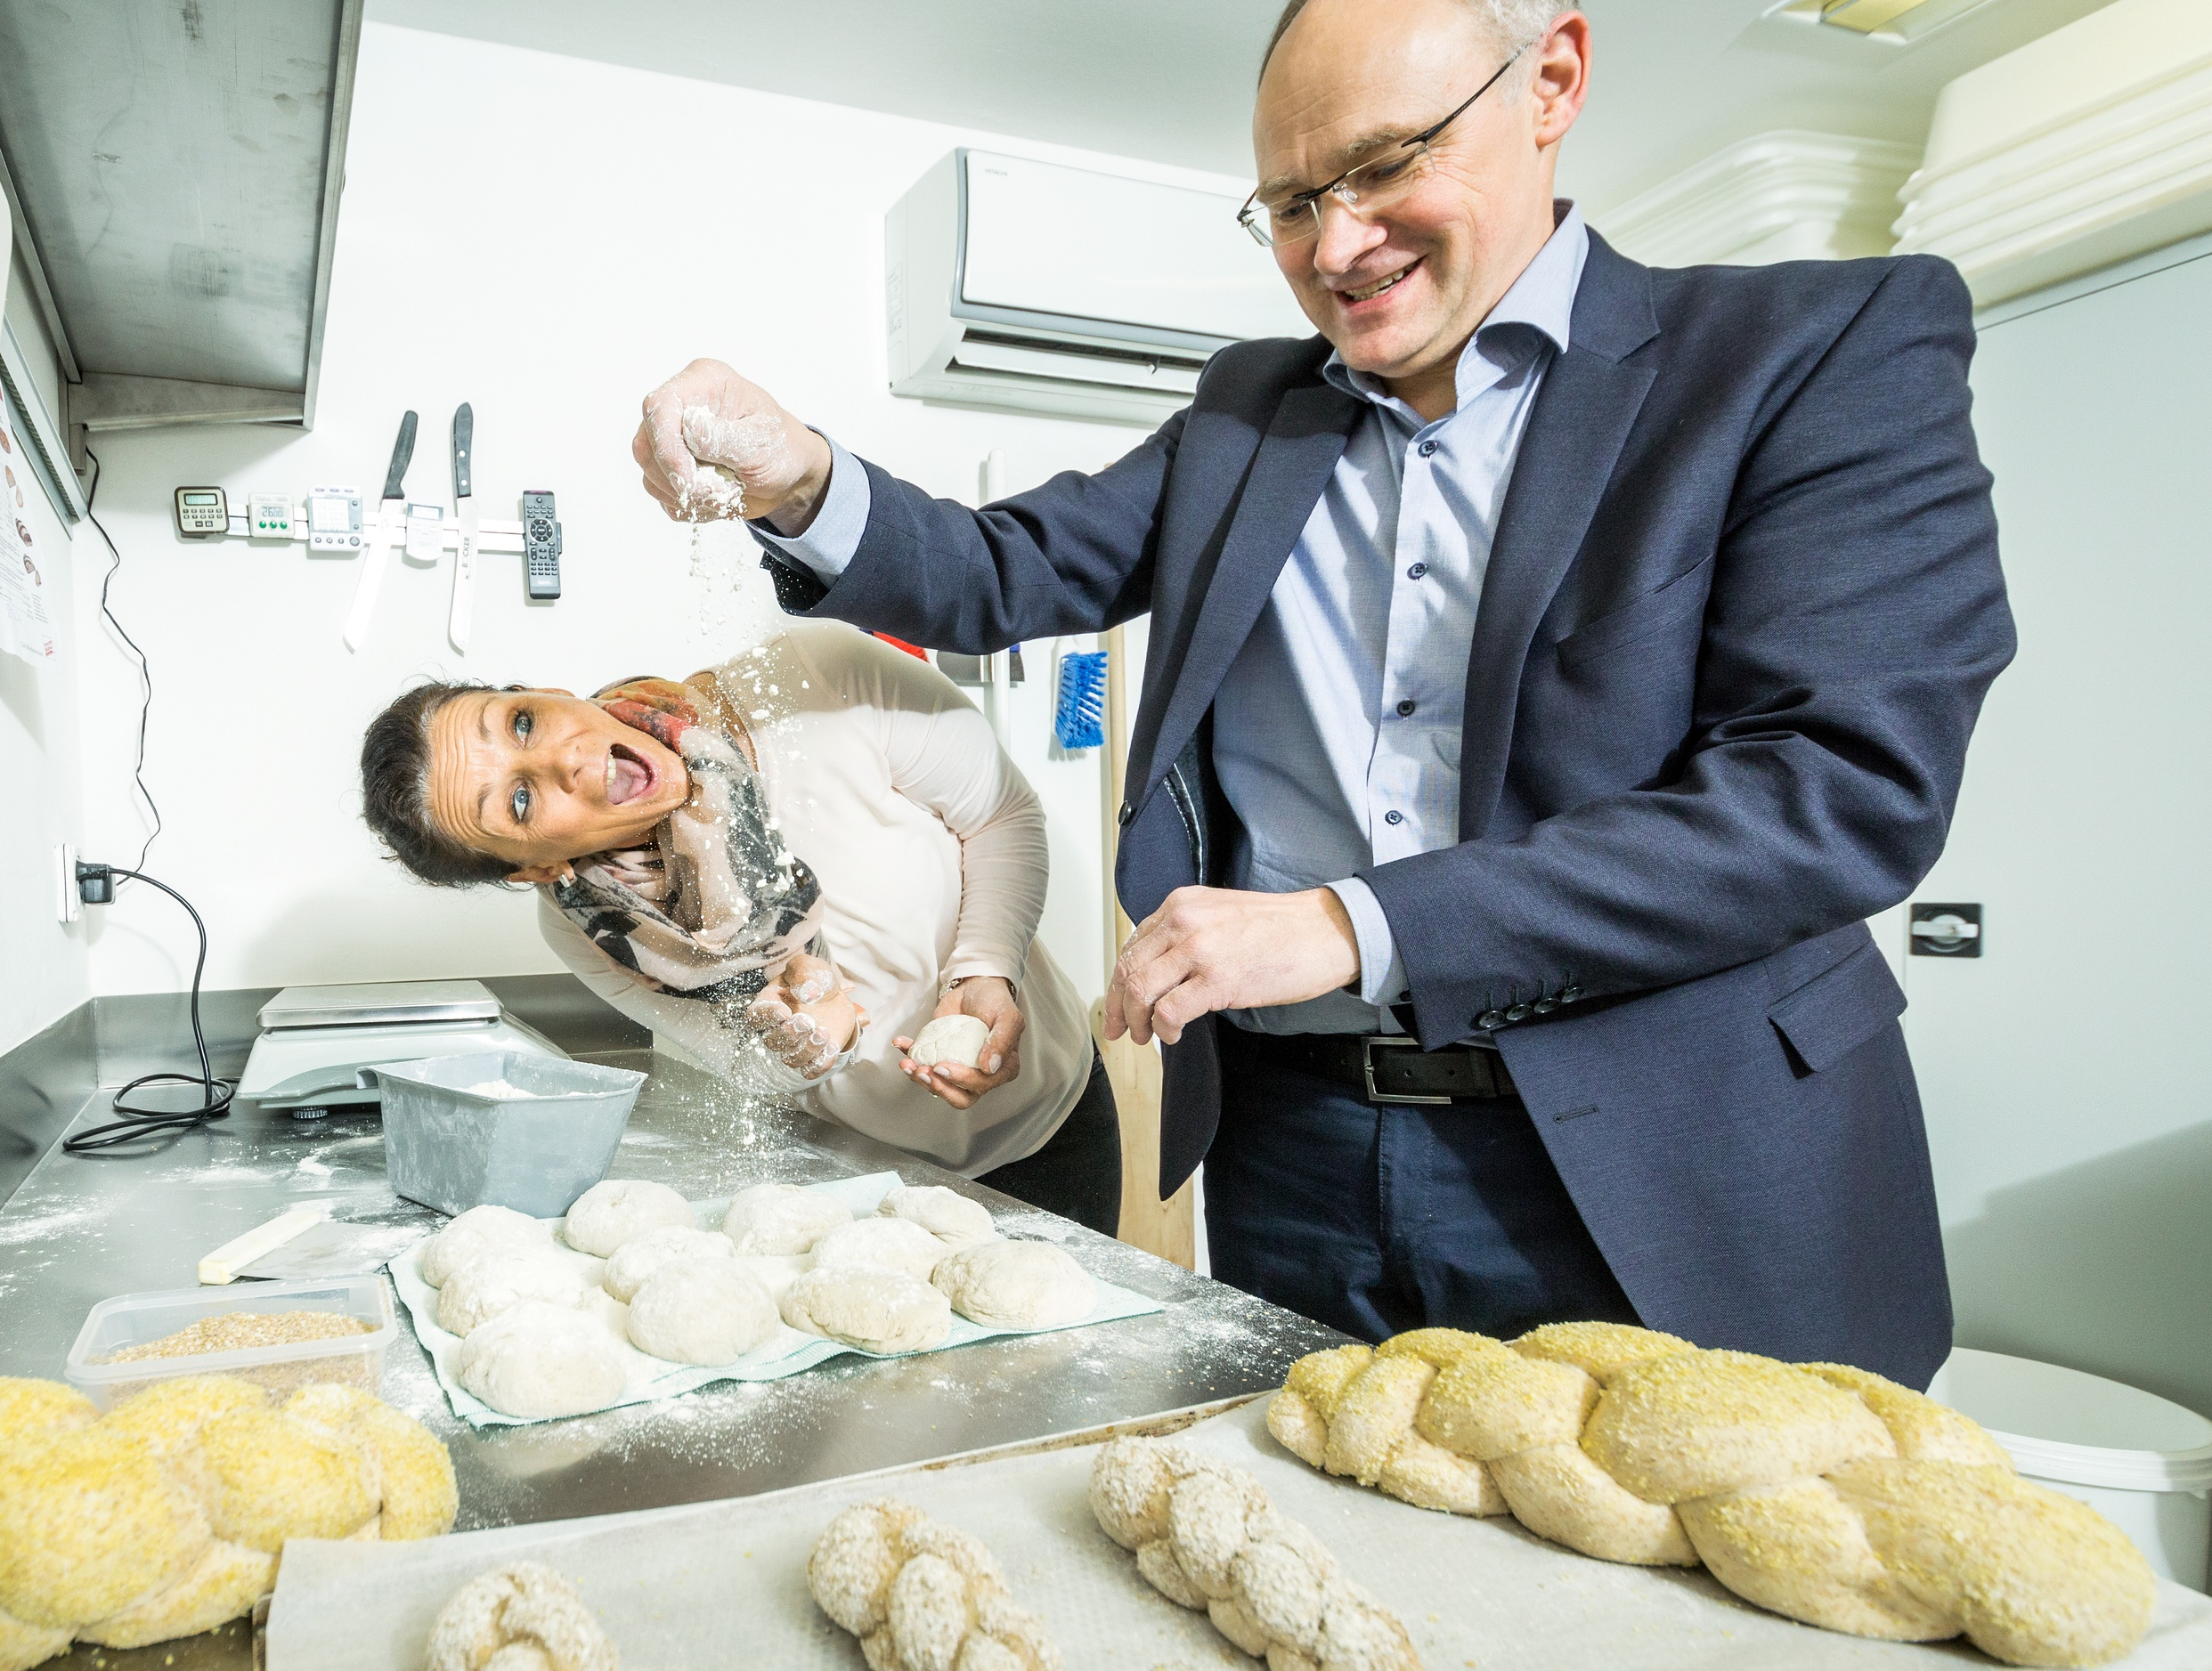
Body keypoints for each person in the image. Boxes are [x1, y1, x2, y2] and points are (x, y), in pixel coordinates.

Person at [627, 0, 2014, 1383]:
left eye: (1387, 163)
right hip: (1300, 1149)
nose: (1336, 246)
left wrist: (1353, 926)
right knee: (1323, 1557)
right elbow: (1005, 568)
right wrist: (803, 478)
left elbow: (1832, 795)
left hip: (1669, 1153)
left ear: (1553, 82)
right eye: (1290, 203)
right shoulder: (1252, 411)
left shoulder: (1819, 347)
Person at [355, 623, 1122, 1230]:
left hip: (1051, 1126)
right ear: (533, 869)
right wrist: (807, 1048)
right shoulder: (586, 928)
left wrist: (986, 969)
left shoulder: (809, 679)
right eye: (518, 803)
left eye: (523, 723)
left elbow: (1001, 814)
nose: (567, 763)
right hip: (881, 1184)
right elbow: (753, 1067)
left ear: (543, 692)